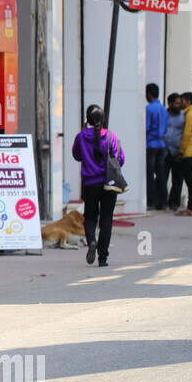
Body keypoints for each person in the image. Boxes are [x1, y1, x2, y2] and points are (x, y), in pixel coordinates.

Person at [72, 106, 125, 267]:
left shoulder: (81, 137)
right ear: (102, 119)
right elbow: (120, 159)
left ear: (87, 119)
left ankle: (92, 241)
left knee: (90, 216)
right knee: (106, 219)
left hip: (90, 183)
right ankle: (103, 258)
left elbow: (76, 156)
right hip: (109, 183)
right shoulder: (111, 136)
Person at [173, 91, 192, 216]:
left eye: (182, 100)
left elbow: (186, 134)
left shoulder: (189, 116)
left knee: (190, 182)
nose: (181, 103)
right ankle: (191, 206)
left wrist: (181, 151)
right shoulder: (191, 114)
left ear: (188, 101)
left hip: (188, 153)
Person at [145, 83, 168, 210]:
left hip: (150, 144)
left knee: (150, 174)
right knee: (161, 173)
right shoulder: (163, 109)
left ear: (148, 94)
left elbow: (146, 127)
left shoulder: (149, 109)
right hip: (161, 144)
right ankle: (163, 200)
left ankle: (151, 200)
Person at [163, 93, 184, 209]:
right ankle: (162, 201)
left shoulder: (183, 116)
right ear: (170, 103)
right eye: (176, 103)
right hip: (165, 150)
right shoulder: (164, 114)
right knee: (162, 177)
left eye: (180, 103)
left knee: (177, 179)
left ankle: (174, 202)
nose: (179, 105)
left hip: (177, 151)